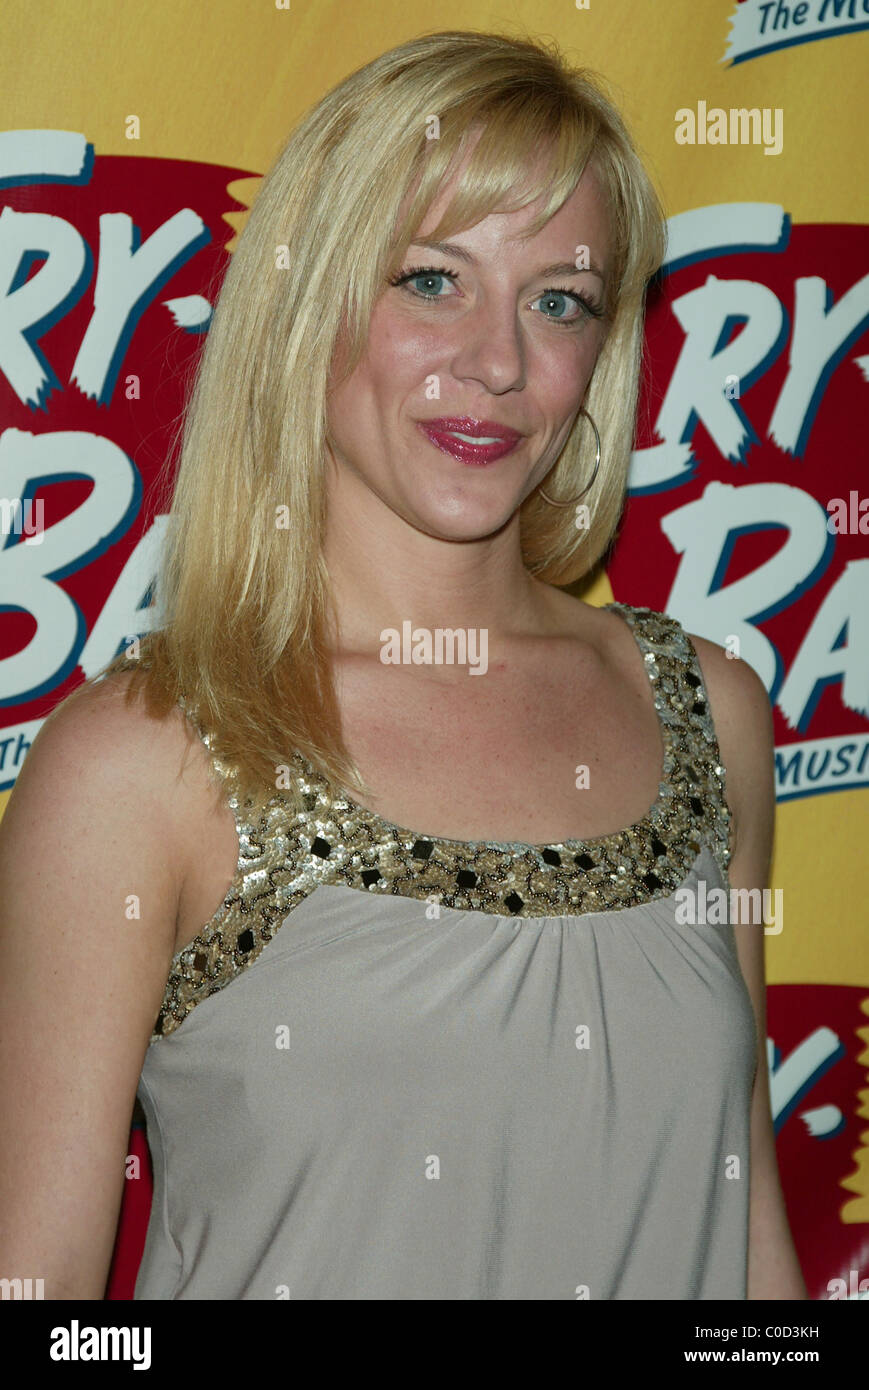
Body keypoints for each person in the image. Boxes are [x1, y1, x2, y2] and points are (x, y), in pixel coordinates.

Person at [0, 29, 806, 1300]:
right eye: (431, 280)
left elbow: (745, 1230)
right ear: (308, 296)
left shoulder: (711, 712)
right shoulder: (139, 761)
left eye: (559, 300)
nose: (494, 362)